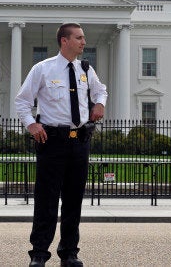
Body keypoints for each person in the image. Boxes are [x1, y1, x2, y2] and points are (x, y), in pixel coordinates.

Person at [15, 23, 107, 267]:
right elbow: (23, 101)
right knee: (46, 199)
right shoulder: (43, 69)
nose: (83, 42)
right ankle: (39, 254)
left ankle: (69, 253)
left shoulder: (86, 69)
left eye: (83, 37)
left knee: (74, 200)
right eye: (78, 38)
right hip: (52, 141)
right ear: (64, 41)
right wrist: (31, 125)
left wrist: (100, 104)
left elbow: (101, 91)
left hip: (80, 141)